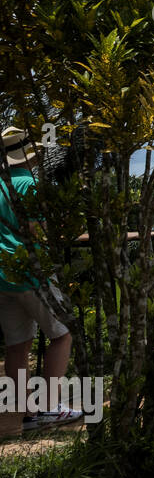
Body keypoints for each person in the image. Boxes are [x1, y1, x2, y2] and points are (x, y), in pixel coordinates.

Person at [0, 126, 83, 430]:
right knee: (62, 333)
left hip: (2, 276)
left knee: (17, 345)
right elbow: (38, 231)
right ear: (29, 156)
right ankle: (48, 408)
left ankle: (29, 411)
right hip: (30, 273)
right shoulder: (29, 185)